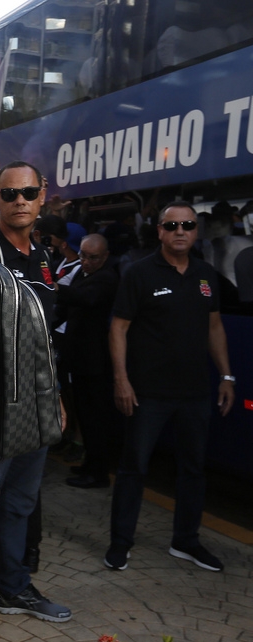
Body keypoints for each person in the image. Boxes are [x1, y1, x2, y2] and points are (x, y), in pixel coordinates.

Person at [105, 201, 235, 572]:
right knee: (134, 469)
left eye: (188, 225)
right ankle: (120, 543)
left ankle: (186, 541)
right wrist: (121, 379)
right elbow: (118, 328)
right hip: (148, 393)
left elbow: (215, 328)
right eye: (172, 225)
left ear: (196, 231)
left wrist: (226, 376)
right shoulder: (139, 273)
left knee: (193, 469)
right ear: (160, 231)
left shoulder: (206, 275)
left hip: (195, 393)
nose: (180, 231)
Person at [0, 161, 72, 623]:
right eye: (9, 194)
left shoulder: (44, 256)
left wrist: (54, 396)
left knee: (20, 503)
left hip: (37, 402)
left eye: (28, 194)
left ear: (42, 196)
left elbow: (48, 335)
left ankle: (13, 589)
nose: (19, 202)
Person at [58, 234, 119, 489]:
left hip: (96, 363)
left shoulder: (107, 278)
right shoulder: (84, 275)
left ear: (104, 257)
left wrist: (55, 287)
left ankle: (97, 472)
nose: (86, 261)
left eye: (93, 257)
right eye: (83, 255)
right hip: (80, 359)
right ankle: (90, 465)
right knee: (84, 415)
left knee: (95, 419)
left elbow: (86, 299)